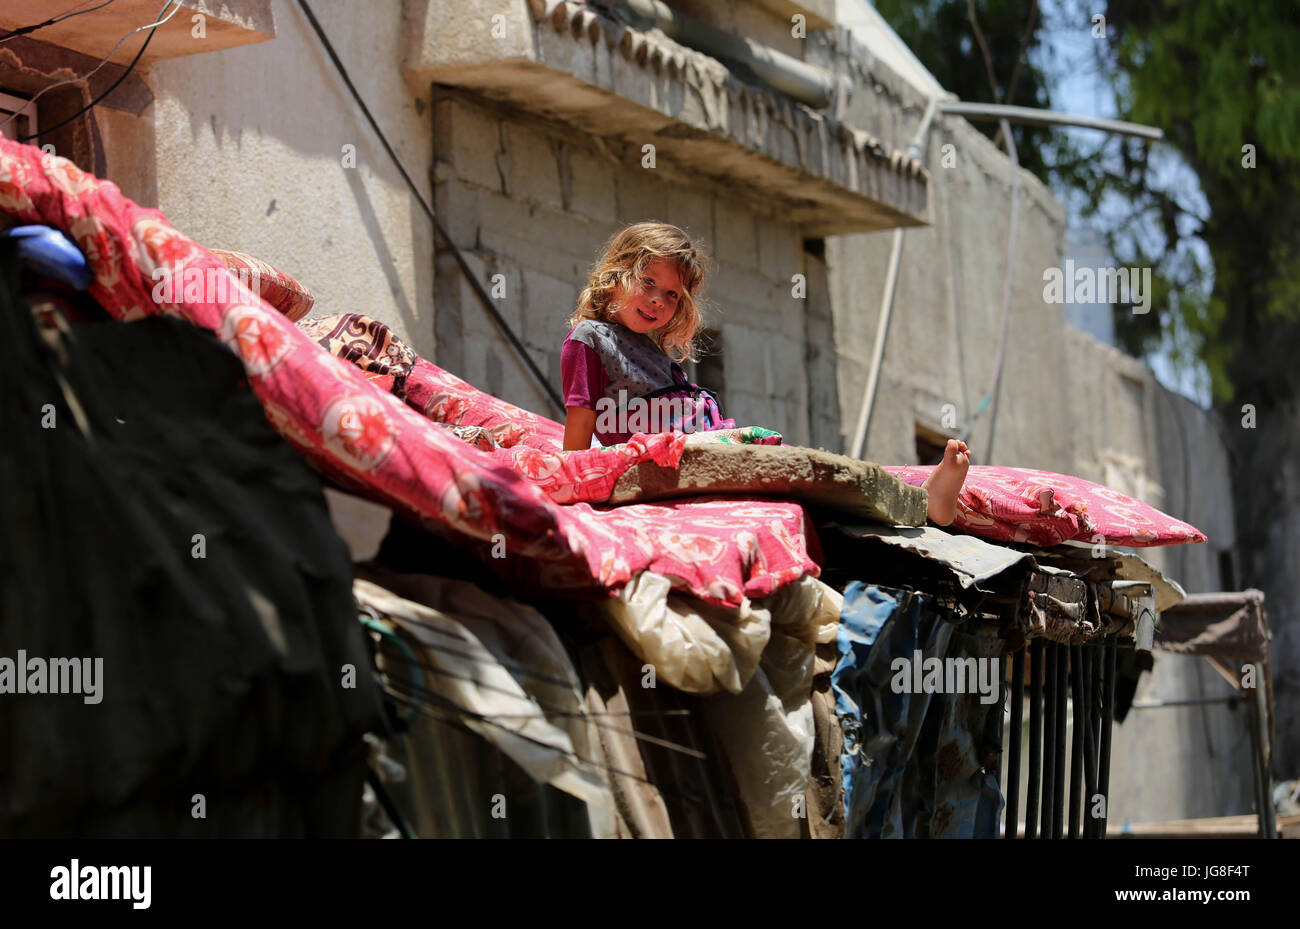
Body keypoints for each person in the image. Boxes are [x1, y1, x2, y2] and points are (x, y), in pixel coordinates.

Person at [560, 221, 970, 524]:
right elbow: (581, 420)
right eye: (647, 281)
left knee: (818, 474)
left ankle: (920, 498)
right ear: (616, 275)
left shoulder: (650, 347)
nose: (658, 301)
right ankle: (923, 503)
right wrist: (573, 487)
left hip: (709, 442)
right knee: (809, 480)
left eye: (671, 294)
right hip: (682, 456)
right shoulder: (590, 339)